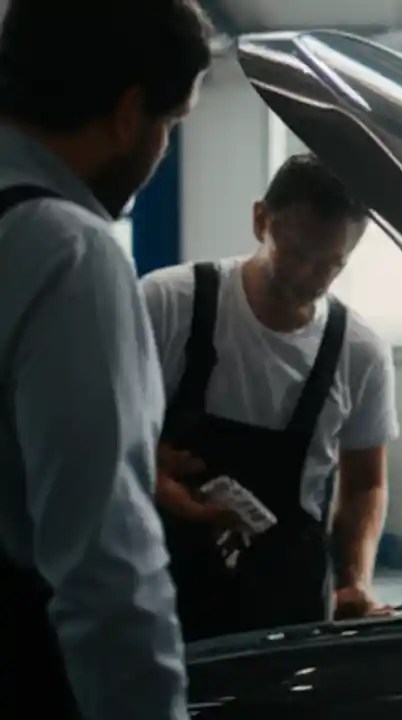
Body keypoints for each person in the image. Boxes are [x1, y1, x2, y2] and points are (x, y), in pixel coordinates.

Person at [0, 1, 213, 718]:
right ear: (129, 114)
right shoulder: (69, 250)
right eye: (171, 124)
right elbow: (106, 563)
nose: (162, 149)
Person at [142, 152, 399, 642]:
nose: (312, 277)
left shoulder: (359, 350)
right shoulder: (168, 304)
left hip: (287, 600)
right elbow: (92, 435)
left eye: (333, 264)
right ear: (261, 219)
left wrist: (353, 582)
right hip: (158, 584)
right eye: (299, 252)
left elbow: (366, 483)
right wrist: (149, 474)